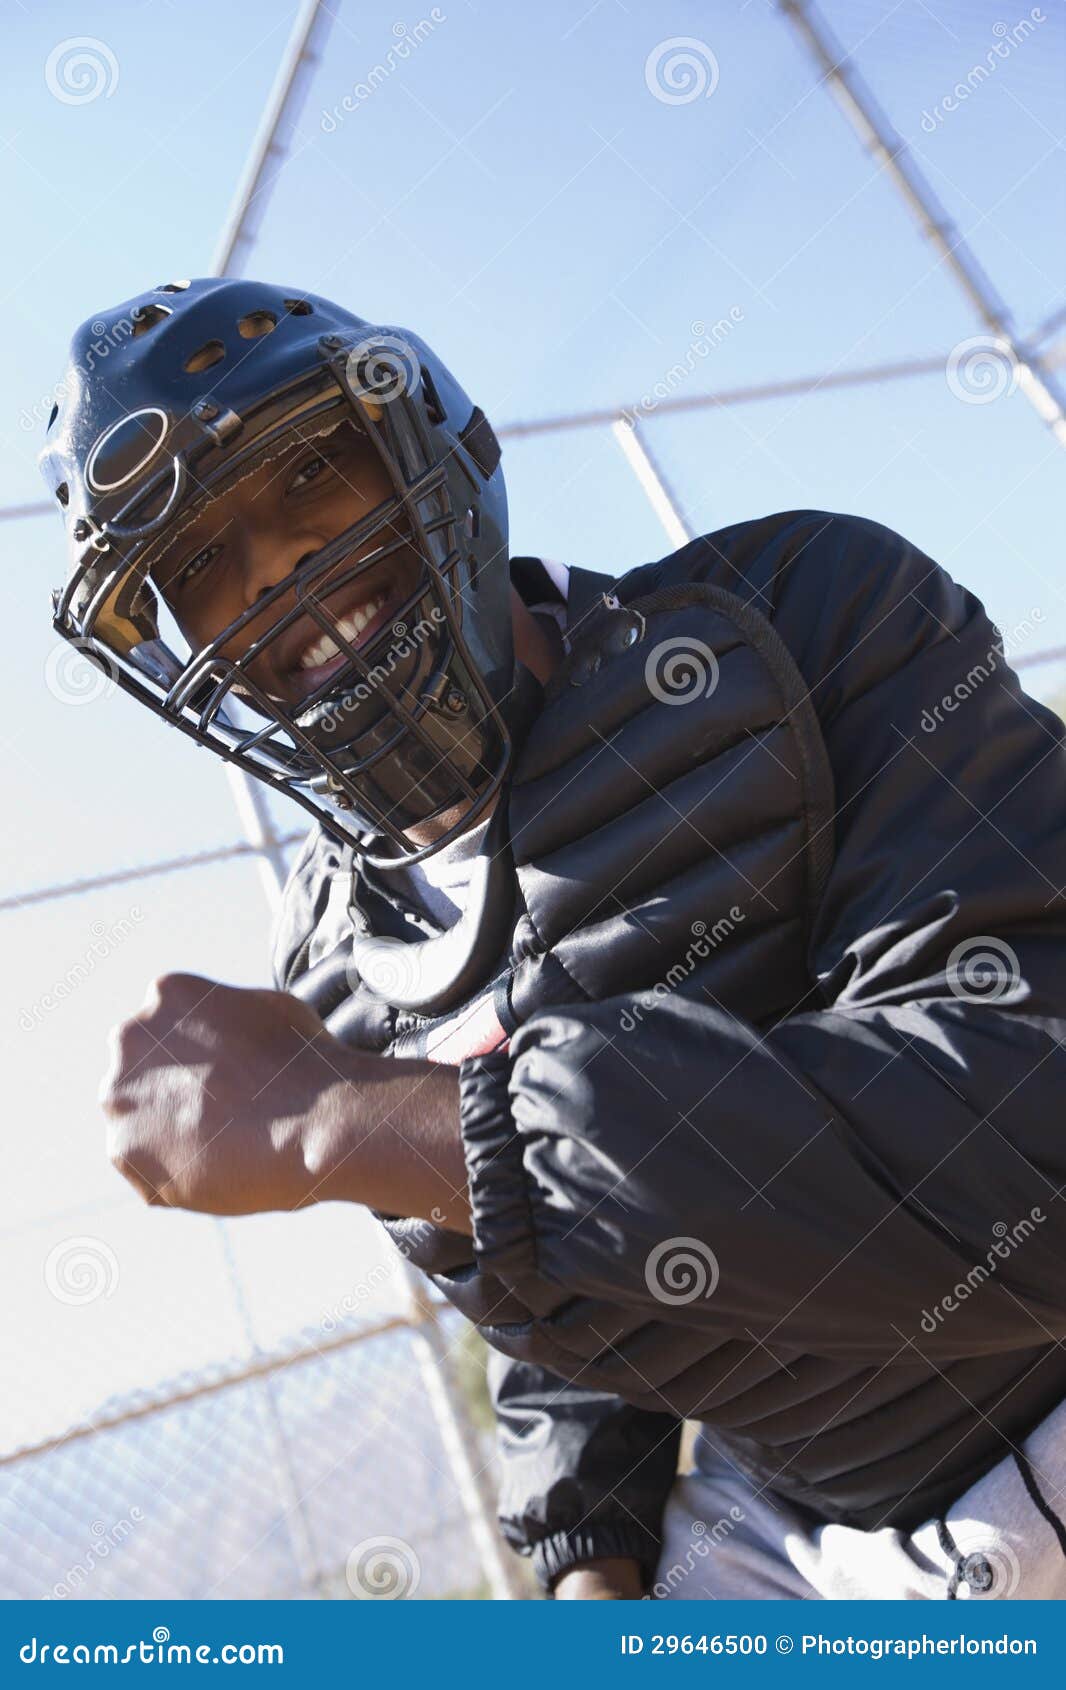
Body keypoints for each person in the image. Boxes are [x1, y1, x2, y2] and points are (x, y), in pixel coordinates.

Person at [41, 277, 1066, 1599]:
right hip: (801, 1539)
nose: (269, 572)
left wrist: (354, 1122)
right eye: (193, 567)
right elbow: (572, 1292)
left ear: (431, 448)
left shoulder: (801, 614)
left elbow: (1022, 1156)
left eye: (304, 473)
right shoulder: (338, 972)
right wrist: (590, 1546)